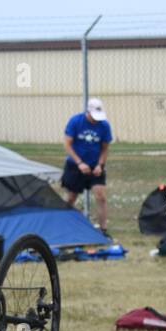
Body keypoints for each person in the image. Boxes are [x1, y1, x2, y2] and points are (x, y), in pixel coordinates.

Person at [62, 98, 112, 234]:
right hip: (75, 165)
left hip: (95, 165)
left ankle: (103, 229)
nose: (97, 120)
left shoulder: (104, 126)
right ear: (87, 111)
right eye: (94, 117)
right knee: (71, 197)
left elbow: (105, 148)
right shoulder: (75, 121)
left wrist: (100, 165)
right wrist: (79, 163)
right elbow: (67, 144)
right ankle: (63, 224)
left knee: (100, 196)